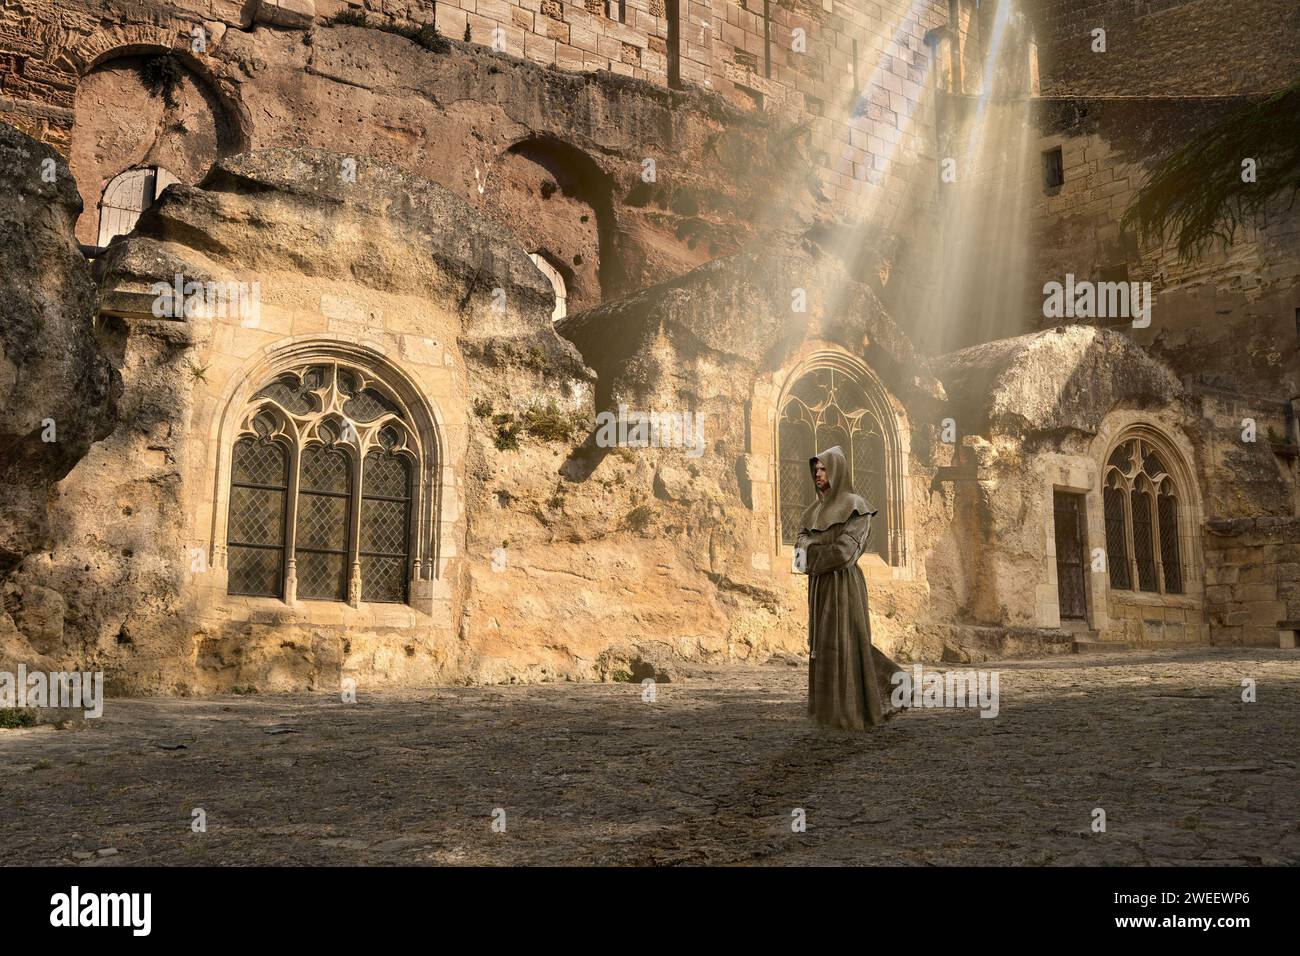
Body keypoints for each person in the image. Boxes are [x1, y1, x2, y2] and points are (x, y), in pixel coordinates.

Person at [795, 445, 904, 730]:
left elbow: (844, 554)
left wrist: (812, 548)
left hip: (844, 586)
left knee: (846, 642)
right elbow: (798, 556)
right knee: (822, 647)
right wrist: (813, 550)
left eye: (823, 468)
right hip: (819, 586)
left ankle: (854, 710)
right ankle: (828, 714)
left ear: (838, 470)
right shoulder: (811, 512)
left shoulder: (858, 507)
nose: (818, 474)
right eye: (815, 469)